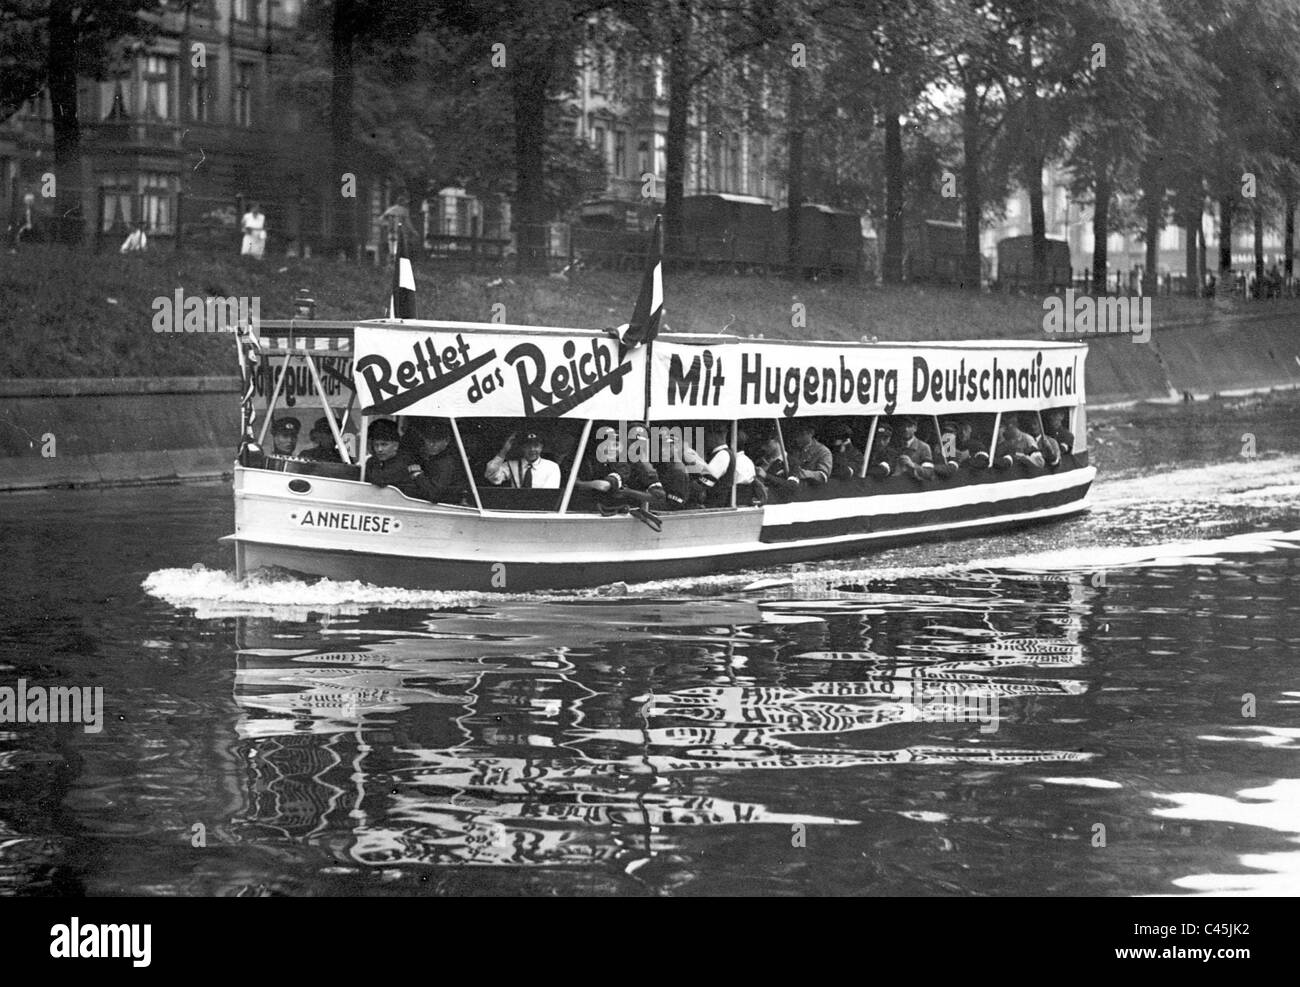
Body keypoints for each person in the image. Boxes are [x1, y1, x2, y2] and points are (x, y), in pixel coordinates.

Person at [400, 418, 468, 503]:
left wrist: (418, 475)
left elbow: (434, 495)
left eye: (436, 441)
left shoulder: (447, 462)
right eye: (428, 440)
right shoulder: (426, 456)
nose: (431, 445)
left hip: (447, 507)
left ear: (446, 441)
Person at [485, 430, 560, 488]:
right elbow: (492, 476)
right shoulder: (511, 464)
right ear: (522, 447)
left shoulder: (552, 467)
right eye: (528, 446)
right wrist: (503, 452)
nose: (532, 449)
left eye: (536, 445)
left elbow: (549, 495)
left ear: (541, 447)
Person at [685, 424, 735, 507]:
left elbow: (708, 480)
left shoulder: (722, 455)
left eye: (706, 436)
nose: (705, 440)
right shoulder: (718, 454)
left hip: (714, 506)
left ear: (714, 436)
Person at [786, 421, 832, 488]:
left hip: (812, 491)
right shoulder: (792, 450)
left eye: (801, 434)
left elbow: (823, 476)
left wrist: (803, 473)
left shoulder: (823, 452)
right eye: (795, 435)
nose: (797, 438)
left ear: (811, 433)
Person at [892, 416, 934, 481]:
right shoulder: (894, 446)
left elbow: (929, 473)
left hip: (914, 486)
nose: (906, 429)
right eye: (903, 426)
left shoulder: (923, 447)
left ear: (915, 428)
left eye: (909, 426)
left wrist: (912, 465)